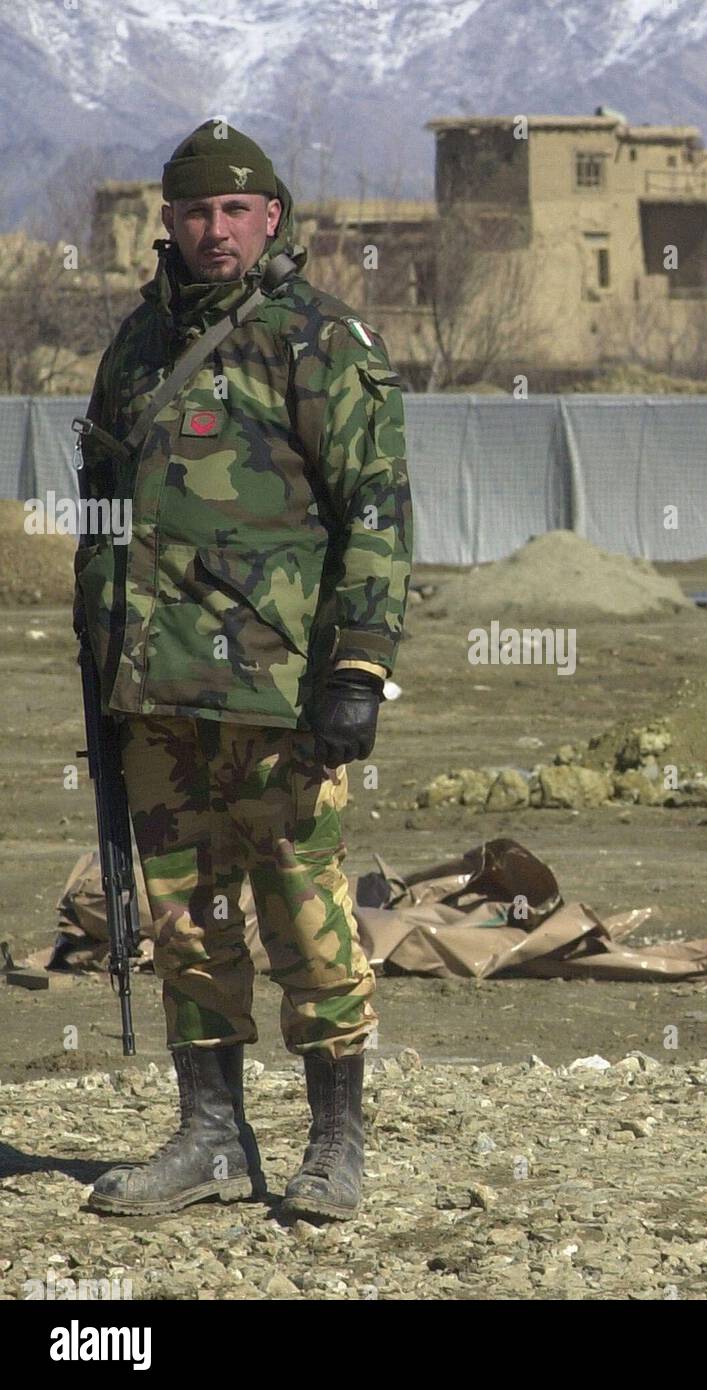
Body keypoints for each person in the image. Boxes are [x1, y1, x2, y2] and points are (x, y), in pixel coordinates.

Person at [73, 120, 412, 1221]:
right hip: (156, 697)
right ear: (166, 222)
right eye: (194, 211)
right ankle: (212, 1139)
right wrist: (100, 642)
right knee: (186, 926)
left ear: (271, 218)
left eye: (234, 211)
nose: (214, 231)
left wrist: (356, 667)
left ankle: (335, 1142)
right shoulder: (133, 349)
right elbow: (103, 510)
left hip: (277, 693)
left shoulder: (320, 341)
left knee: (306, 914)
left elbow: (376, 511)